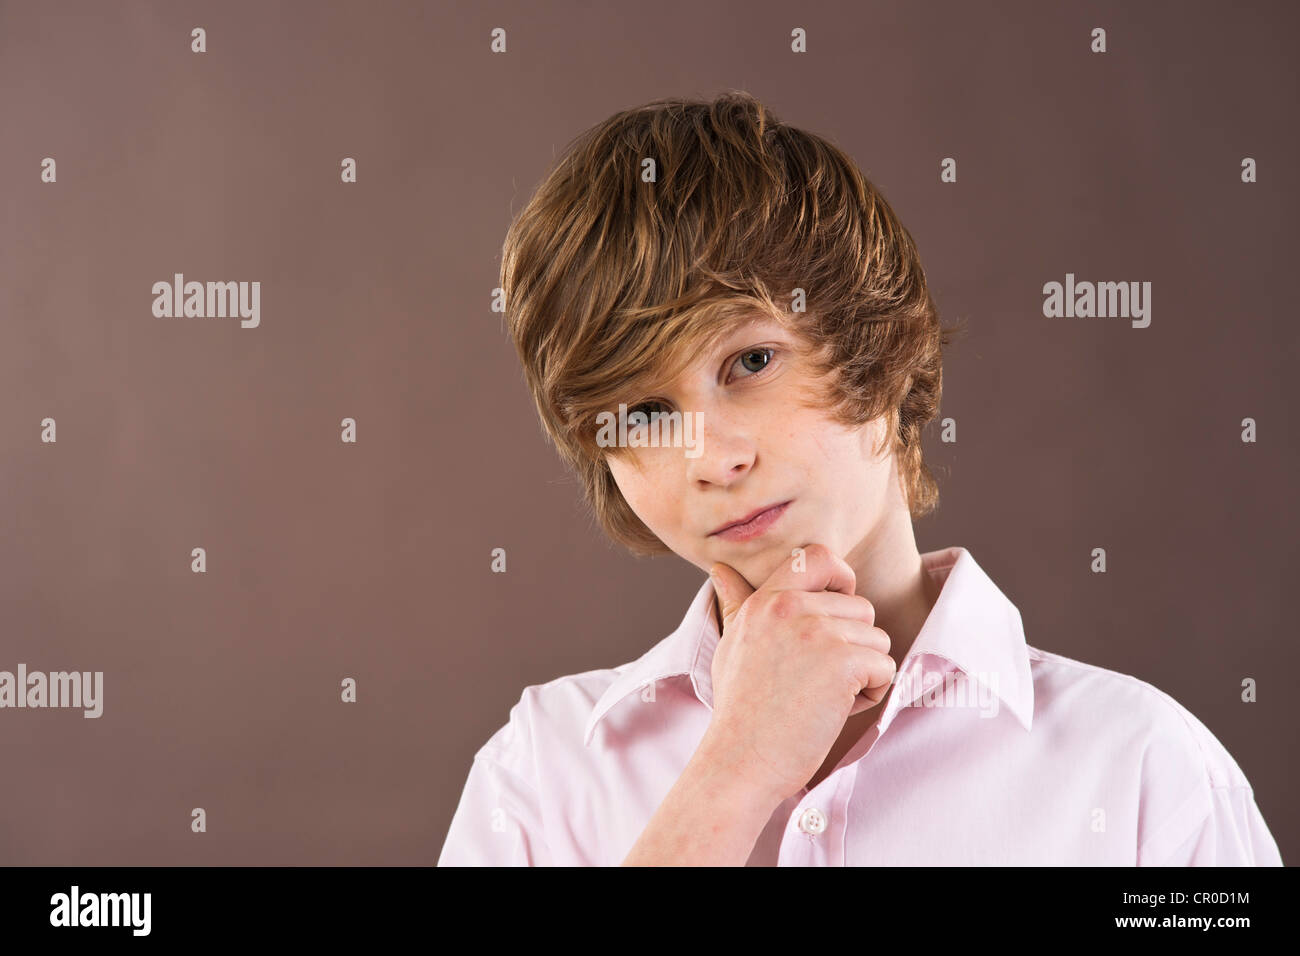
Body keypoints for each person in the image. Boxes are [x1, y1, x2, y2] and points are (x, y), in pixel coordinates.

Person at [437, 92, 1282, 866]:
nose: (712, 459)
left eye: (752, 361)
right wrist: (733, 774)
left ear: (884, 347)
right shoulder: (543, 771)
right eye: (646, 415)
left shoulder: (1141, 768)